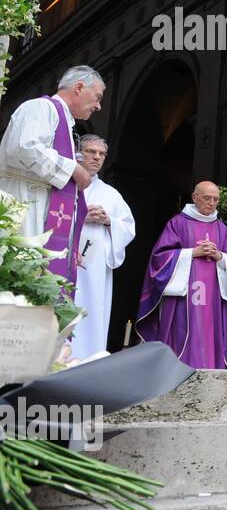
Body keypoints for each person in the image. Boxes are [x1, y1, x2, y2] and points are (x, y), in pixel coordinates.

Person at [0, 65, 104, 295]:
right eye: (97, 97)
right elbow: (24, 148)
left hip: (39, 215)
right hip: (24, 210)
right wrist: (73, 169)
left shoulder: (64, 122)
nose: (98, 105)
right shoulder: (40, 108)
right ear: (78, 87)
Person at [135, 181, 227, 369]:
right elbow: (158, 259)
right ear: (194, 198)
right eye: (207, 198)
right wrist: (192, 253)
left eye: (216, 200)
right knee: (183, 338)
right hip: (183, 300)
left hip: (212, 300)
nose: (212, 203)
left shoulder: (221, 228)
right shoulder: (178, 223)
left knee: (211, 337)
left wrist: (219, 256)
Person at [70, 135, 136, 359]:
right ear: (78, 153)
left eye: (101, 154)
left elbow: (128, 227)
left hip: (95, 269)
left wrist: (109, 221)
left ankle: (88, 359)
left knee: (92, 309)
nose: (97, 157)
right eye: (91, 152)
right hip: (65, 258)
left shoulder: (111, 194)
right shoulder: (63, 184)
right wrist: (81, 216)